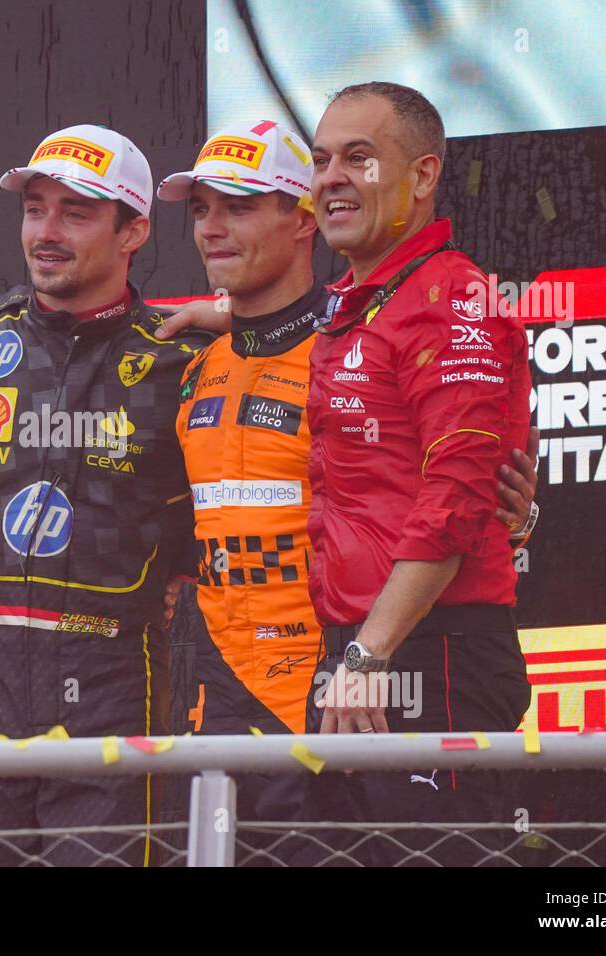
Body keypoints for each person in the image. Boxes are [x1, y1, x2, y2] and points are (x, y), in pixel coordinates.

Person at [155, 120, 537, 861]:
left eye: (237, 206)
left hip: (346, 678)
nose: (212, 228)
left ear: (303, 219)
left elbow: (465, 478)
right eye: (200, 209)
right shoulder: (197, 359)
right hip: (231, 697)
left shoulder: (397, 320)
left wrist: (510, 521)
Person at [0, 124, 212, 865]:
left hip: (115, 671)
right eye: (35, 208)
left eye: (75, 213)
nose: (45, 232)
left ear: (134, 230)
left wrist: (242, 318)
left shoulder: (182, 355)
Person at [301, 82, 534, 859]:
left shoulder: (452, 299)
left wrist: (372, 654)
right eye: (321, 158)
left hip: (430, 655)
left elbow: (460, 495)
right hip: (362, 652)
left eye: (359, 159)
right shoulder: (359, 300)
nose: (331, 176)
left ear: (423, 175)